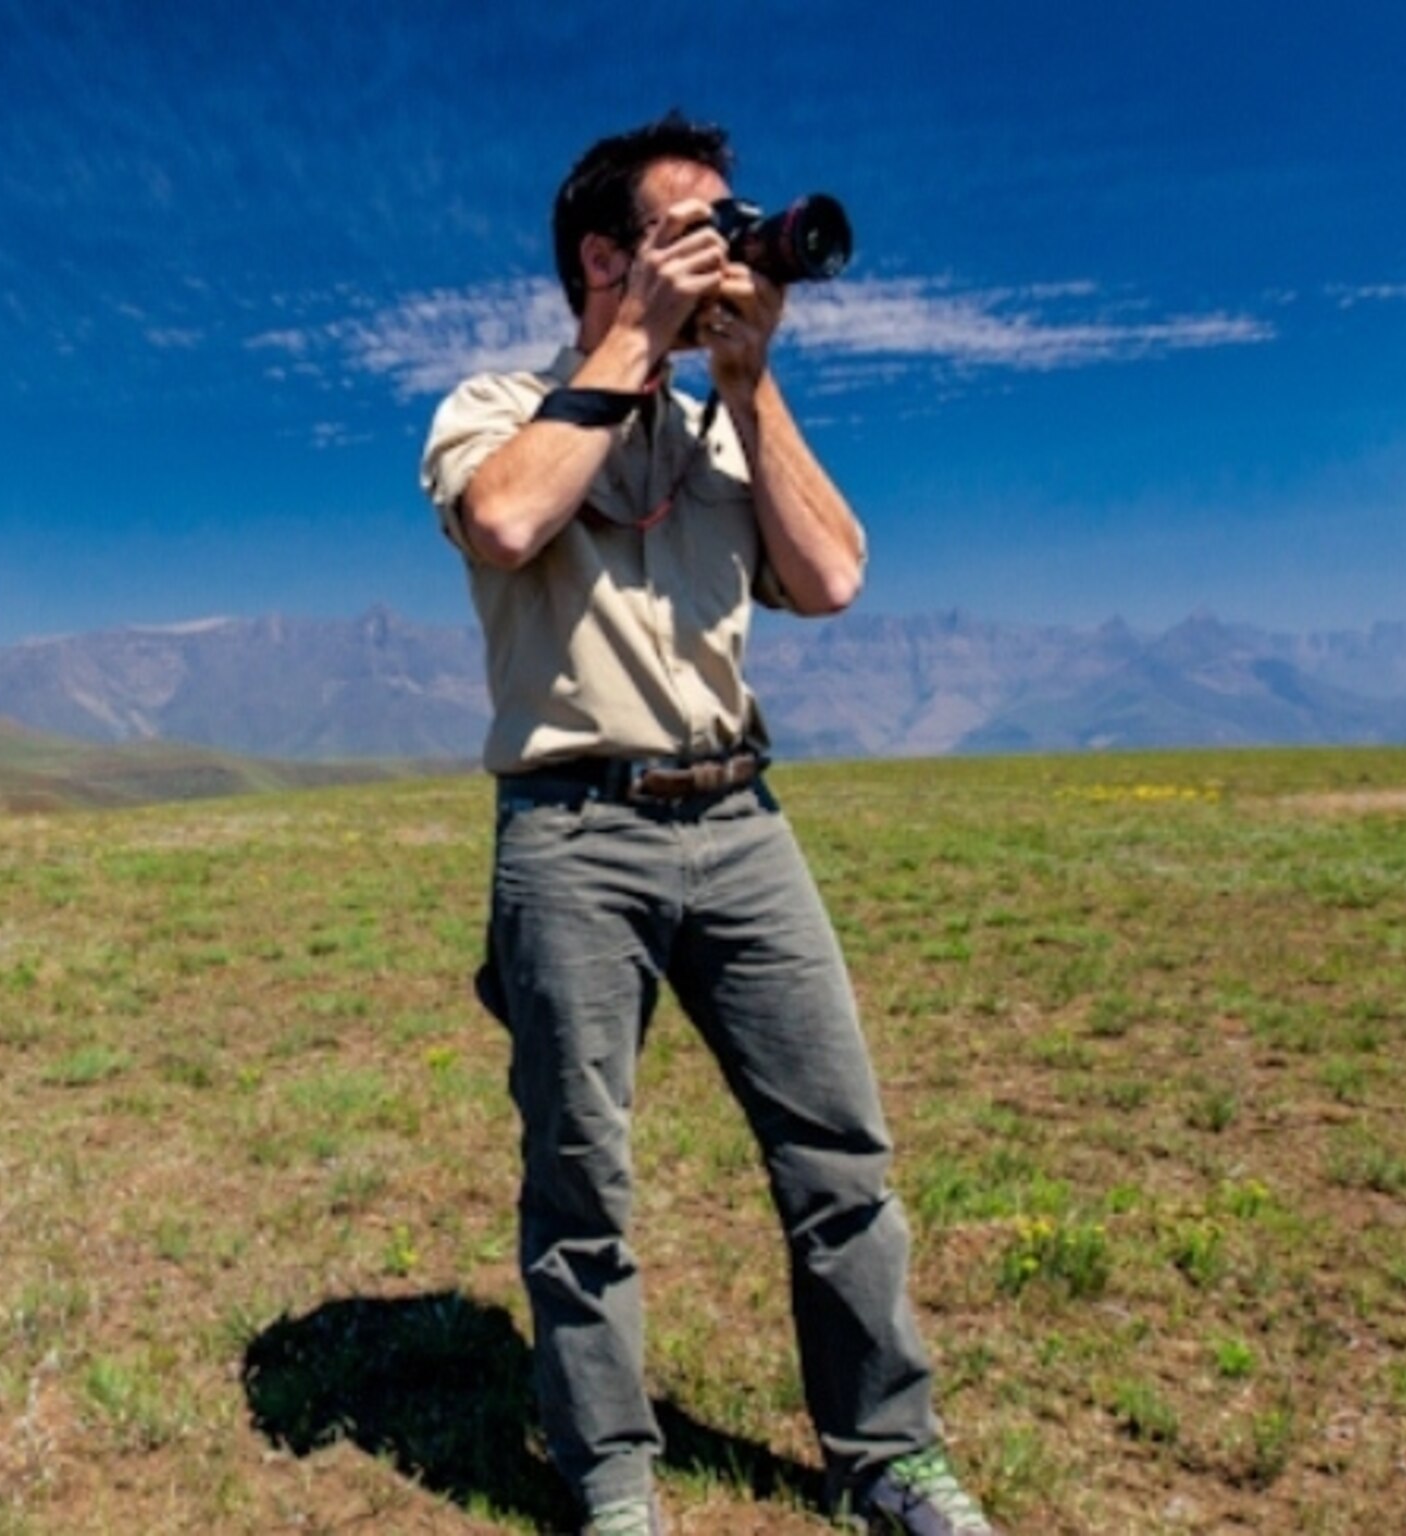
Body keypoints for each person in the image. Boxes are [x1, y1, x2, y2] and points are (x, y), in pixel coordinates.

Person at [417, 112, 994, 1536]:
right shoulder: (492, 404)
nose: (734, 246)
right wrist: (634, 344)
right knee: (581, 1175)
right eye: (698, 227)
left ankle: (886, 1454)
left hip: (742, 820)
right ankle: (613, 1480)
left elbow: (836, 574)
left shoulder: (724, 428)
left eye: (740, 225)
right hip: (573, 832)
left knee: (839, 1156)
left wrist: (747, 377)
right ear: (605, 256)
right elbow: (503, 524)